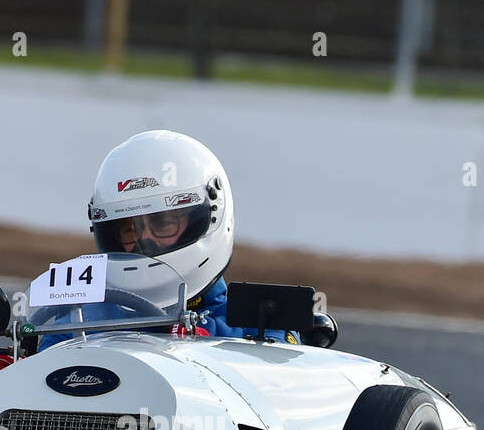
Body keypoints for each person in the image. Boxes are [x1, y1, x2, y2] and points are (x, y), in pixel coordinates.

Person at [40, 130, 299, 348]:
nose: (145, 241)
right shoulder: (75, 326)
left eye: (163, 224)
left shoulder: (261, 330)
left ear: (211, 214)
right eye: (129, 229)